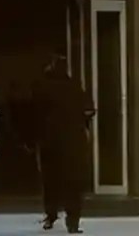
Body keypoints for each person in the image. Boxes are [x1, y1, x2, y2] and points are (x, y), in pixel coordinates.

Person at [32, 55, 94, 234]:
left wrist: (34, 139)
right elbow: (89, 110)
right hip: (74, 141)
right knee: (74, 183)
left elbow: (36, 114)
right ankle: (73, 222)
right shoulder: (75, 86)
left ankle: (50, 215)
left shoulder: (42, 86)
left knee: (50, 181)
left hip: (50, 142)